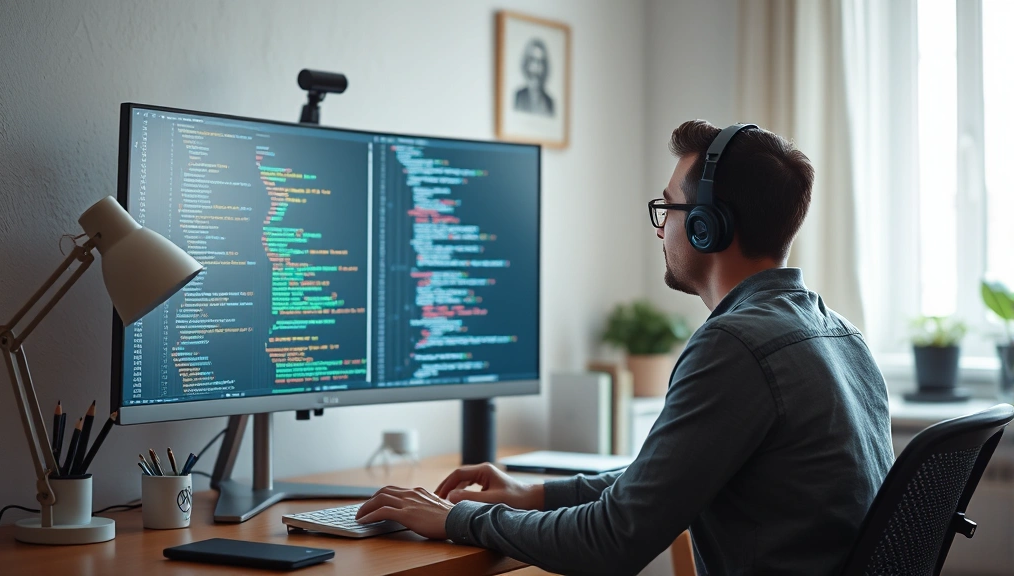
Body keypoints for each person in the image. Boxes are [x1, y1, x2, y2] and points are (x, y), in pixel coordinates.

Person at [355, 120, 895, 575]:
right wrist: (531, 494)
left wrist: (455, 519)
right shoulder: (842, 335)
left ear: (706, 227)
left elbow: (613, 541)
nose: (660, 230)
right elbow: (662, 483)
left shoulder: (735, 345)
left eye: (669, 209)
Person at [513, 38, 555, 116]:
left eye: (540, 62)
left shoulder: (550, 103)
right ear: (526, 63)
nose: (536, 67)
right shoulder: (518, 96)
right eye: (532, 60)